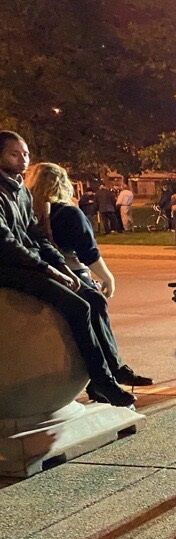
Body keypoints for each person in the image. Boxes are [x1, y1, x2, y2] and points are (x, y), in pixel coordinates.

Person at [0, 131, 135, 406]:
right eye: (14, 154)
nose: (23, 160)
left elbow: (36, 236)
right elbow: (7, 243)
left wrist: (63, 267)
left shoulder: (21, 191)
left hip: (31, 260)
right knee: (78, 306)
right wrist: (50, 272)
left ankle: (113, 368)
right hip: (11, 267)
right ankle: (102, 380)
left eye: (25, 154)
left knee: (92, 296)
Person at [26, 162, 152, 390]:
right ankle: (113, 370)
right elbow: (88, 252)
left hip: (38, 275)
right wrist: (108, 278)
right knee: (96, 305)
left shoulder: (27, 212)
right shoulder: (67, 212)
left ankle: (105, 377)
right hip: (70, 272)